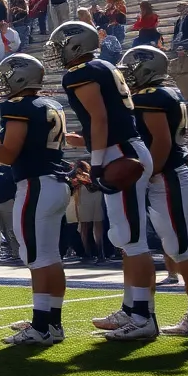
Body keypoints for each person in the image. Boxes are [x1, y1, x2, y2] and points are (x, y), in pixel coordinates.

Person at [47, 21, 156, 340]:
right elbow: (106, 119)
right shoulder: (103, 65)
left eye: (61, 44)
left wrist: (95, 164)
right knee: (125, 239)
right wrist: (79, 142)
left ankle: (144, 316)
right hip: (122, 148)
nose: (57, 51)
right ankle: (131, 307)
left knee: (134, 241)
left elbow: (100, 118)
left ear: (76, 45)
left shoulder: (80, 72)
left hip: (120, 154)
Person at [0, 53, 71, 345]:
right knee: (51, 257)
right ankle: (51, 322)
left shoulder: (18, 106)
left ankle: (42, 326)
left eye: (6, 78)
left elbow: (8, 155)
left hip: (36, 185)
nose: (3, 85)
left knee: (36, 257)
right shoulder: (51, 104)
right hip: (56, 183)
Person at [119, 46, 188, 335]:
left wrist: (147, 174)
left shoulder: (151, 97)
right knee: (179, 247)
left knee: (183, 250)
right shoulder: (167, 92)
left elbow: (161, 142)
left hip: (167, 178)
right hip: (171, 175)